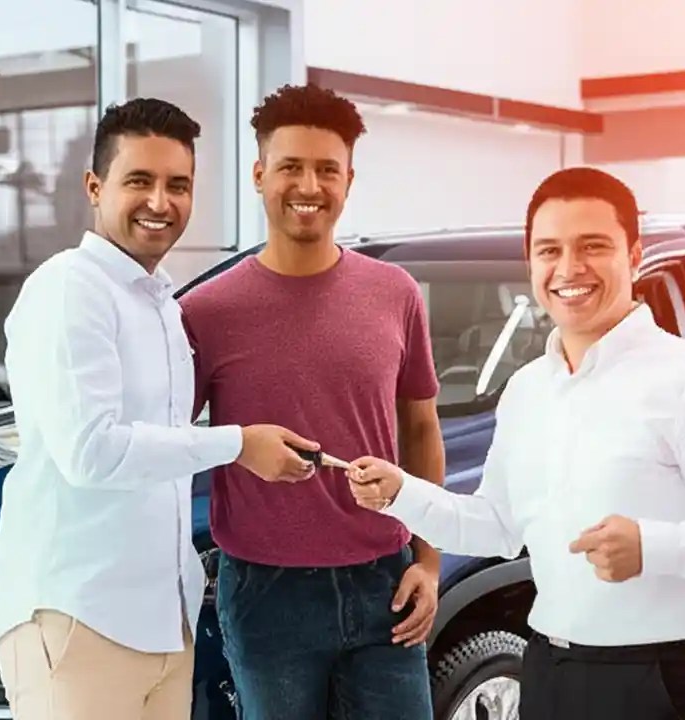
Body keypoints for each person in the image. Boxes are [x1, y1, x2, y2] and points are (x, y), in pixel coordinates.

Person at [347, 167, 685, 720]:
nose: (569, 269)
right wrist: (401, 493)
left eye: (593, 247)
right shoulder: (527, 390)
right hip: (550, 672)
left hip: (663, 680)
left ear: (634, 256)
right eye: (549, 250)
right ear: (531, 263)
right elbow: (496, 525)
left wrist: (652, 547)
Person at [0, 97, 323, 720]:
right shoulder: (70, 288)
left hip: (161, 620)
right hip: (79, 616)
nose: (161, 203)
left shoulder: (159, 302)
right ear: (95, 186)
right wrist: (236, 444)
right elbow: (92, 450)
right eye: (139, 180)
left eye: (179, 185)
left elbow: (158, 445)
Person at [180, 84, 445, 719]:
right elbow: (166, 444)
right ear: (259, 174)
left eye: (327, 169)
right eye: (291, 166)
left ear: (349, 180)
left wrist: (429, 563)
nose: (310, 184)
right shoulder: (205, 312)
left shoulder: (395, 293)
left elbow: (420, 428)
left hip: (385, 580)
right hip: (266, 593)